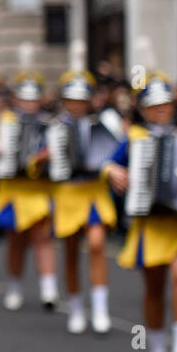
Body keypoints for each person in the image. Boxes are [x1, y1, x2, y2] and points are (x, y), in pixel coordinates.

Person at [104, 45, 177, 352]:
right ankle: (155, 349)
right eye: (154, 106)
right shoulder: (135, 139)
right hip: (150, 224)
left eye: (165, 104)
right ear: (144, 109)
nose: (161, 110)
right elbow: (108, 161)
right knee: (154, 288)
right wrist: (111, 171)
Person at [50, 41, 122, 335]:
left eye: (82, 99)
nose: (77, 105)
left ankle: (101, 309)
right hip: (68, 193)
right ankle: (77, 306)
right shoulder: (54, 127)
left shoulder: (105, 122)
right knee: (70, 250)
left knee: (96, 243)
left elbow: (119, 151)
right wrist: (42, 158)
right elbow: (41, 161)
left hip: (94, 192)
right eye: (72, 100)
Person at [0, 46, 57, 312]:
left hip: (38, 188)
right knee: (16, 240)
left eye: (33, 98)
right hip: (11, 188)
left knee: (42, 237)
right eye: (24, 98)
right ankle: (14, 285)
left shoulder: (50, 124)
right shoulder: (4, 121)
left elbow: (62, 154)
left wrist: (48, 156)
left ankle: (49, 288)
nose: (29, 103)